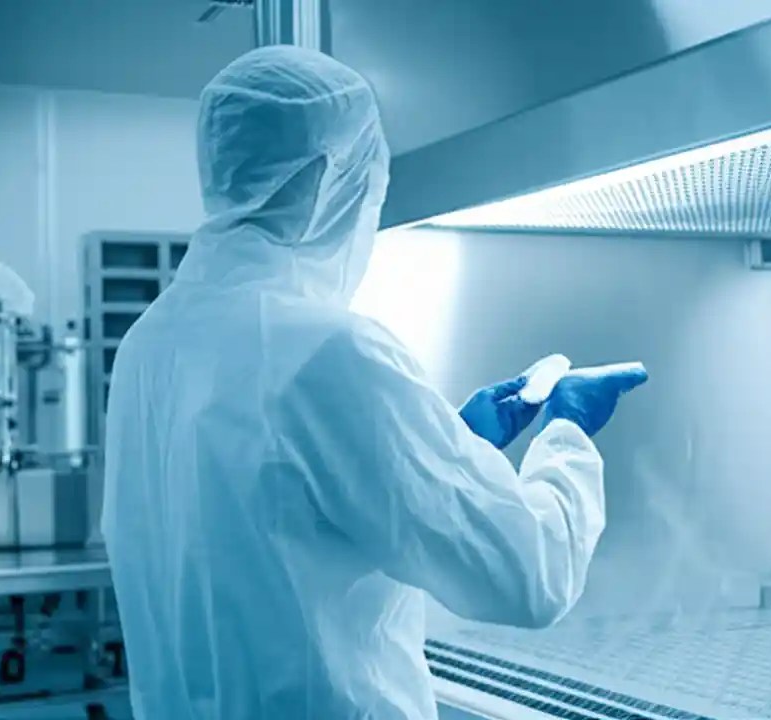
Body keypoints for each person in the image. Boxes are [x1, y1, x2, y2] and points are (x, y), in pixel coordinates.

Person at [101, 45, 647, 720]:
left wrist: (455, 443)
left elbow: (273, 516)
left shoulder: (151, 343)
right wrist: (567, 432)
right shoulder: (329, 349)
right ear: (331, 176)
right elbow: (529, 578)